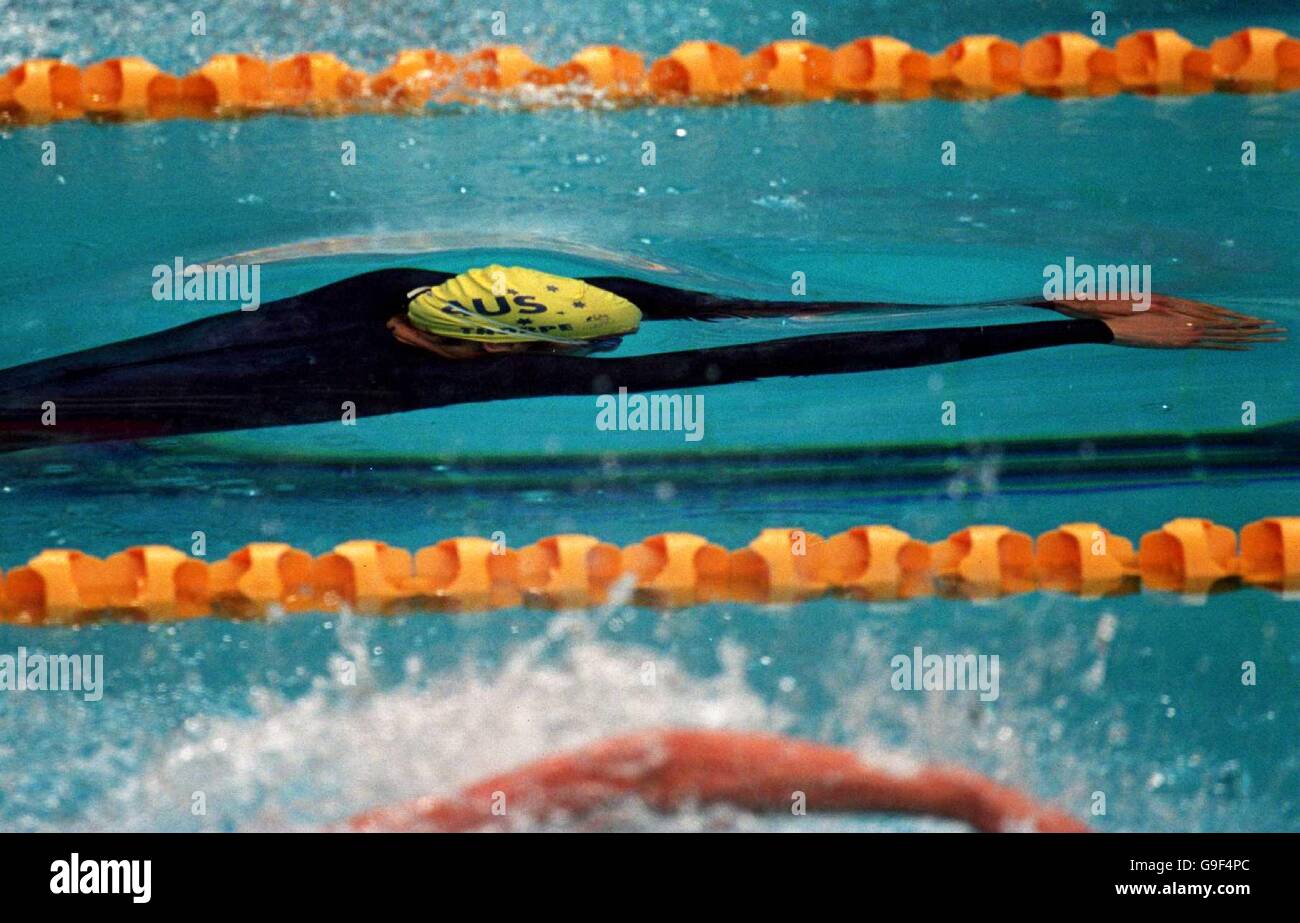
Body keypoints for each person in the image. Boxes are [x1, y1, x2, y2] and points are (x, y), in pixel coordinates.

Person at [0, 264, 1280, 453]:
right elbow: (750, 314)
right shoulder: (391, 291)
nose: (406, 320)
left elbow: (797, 352)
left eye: (424, 332)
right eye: (424, 307)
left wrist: (1073, 321)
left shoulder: (519, 365)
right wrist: (1051, 300)